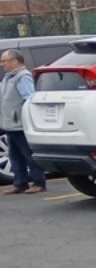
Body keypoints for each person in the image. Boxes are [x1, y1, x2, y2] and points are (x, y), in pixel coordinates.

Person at [0, 49, 48, 194]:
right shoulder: (8, 77)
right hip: (10, 124)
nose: (2, 65)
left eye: (4, 61)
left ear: (15, 61)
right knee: (15, 156)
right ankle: (20, 183)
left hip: (20, 124)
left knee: (28, 154)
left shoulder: (22, 77)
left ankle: (39, 182)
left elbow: (29, 98)